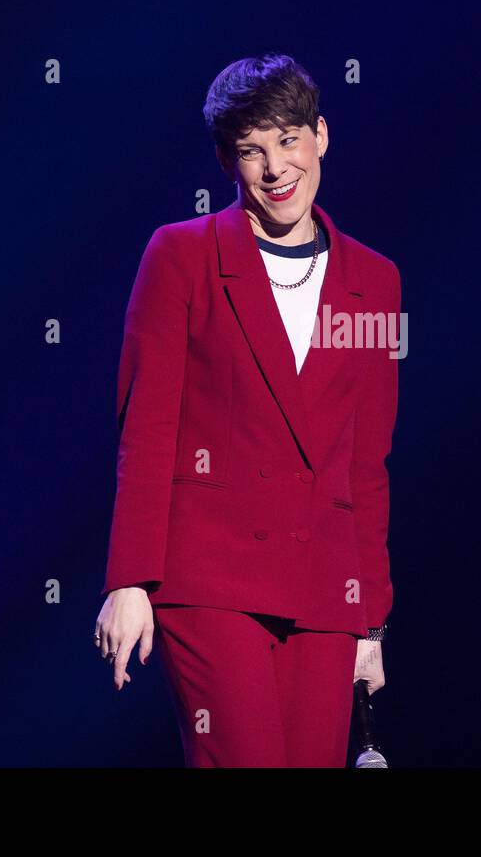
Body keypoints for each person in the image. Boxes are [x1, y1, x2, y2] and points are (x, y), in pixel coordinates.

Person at [93, 53, 402, 767]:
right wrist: (130, 580)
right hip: (209, 578)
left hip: (327, 589)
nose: (274, 168)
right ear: (228, 164)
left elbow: (367, 461)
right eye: (251, 150)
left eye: (288, 139)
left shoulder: (375, 281)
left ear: (320, 136)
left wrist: (371, 622)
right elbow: (147, 428)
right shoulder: (182, 255)